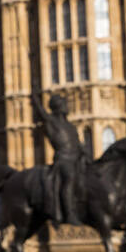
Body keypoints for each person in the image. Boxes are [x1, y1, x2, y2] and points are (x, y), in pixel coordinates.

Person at [33, 93, 87, 225]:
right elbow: (41, 112)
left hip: (77, 158)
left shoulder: (70, 126)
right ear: (57, 107)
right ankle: (69, 215)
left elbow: (78, 144)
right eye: (64, 104)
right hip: (63, 160)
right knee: (69, 177)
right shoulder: (52, 122)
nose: (67, 107)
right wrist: (34, 95)